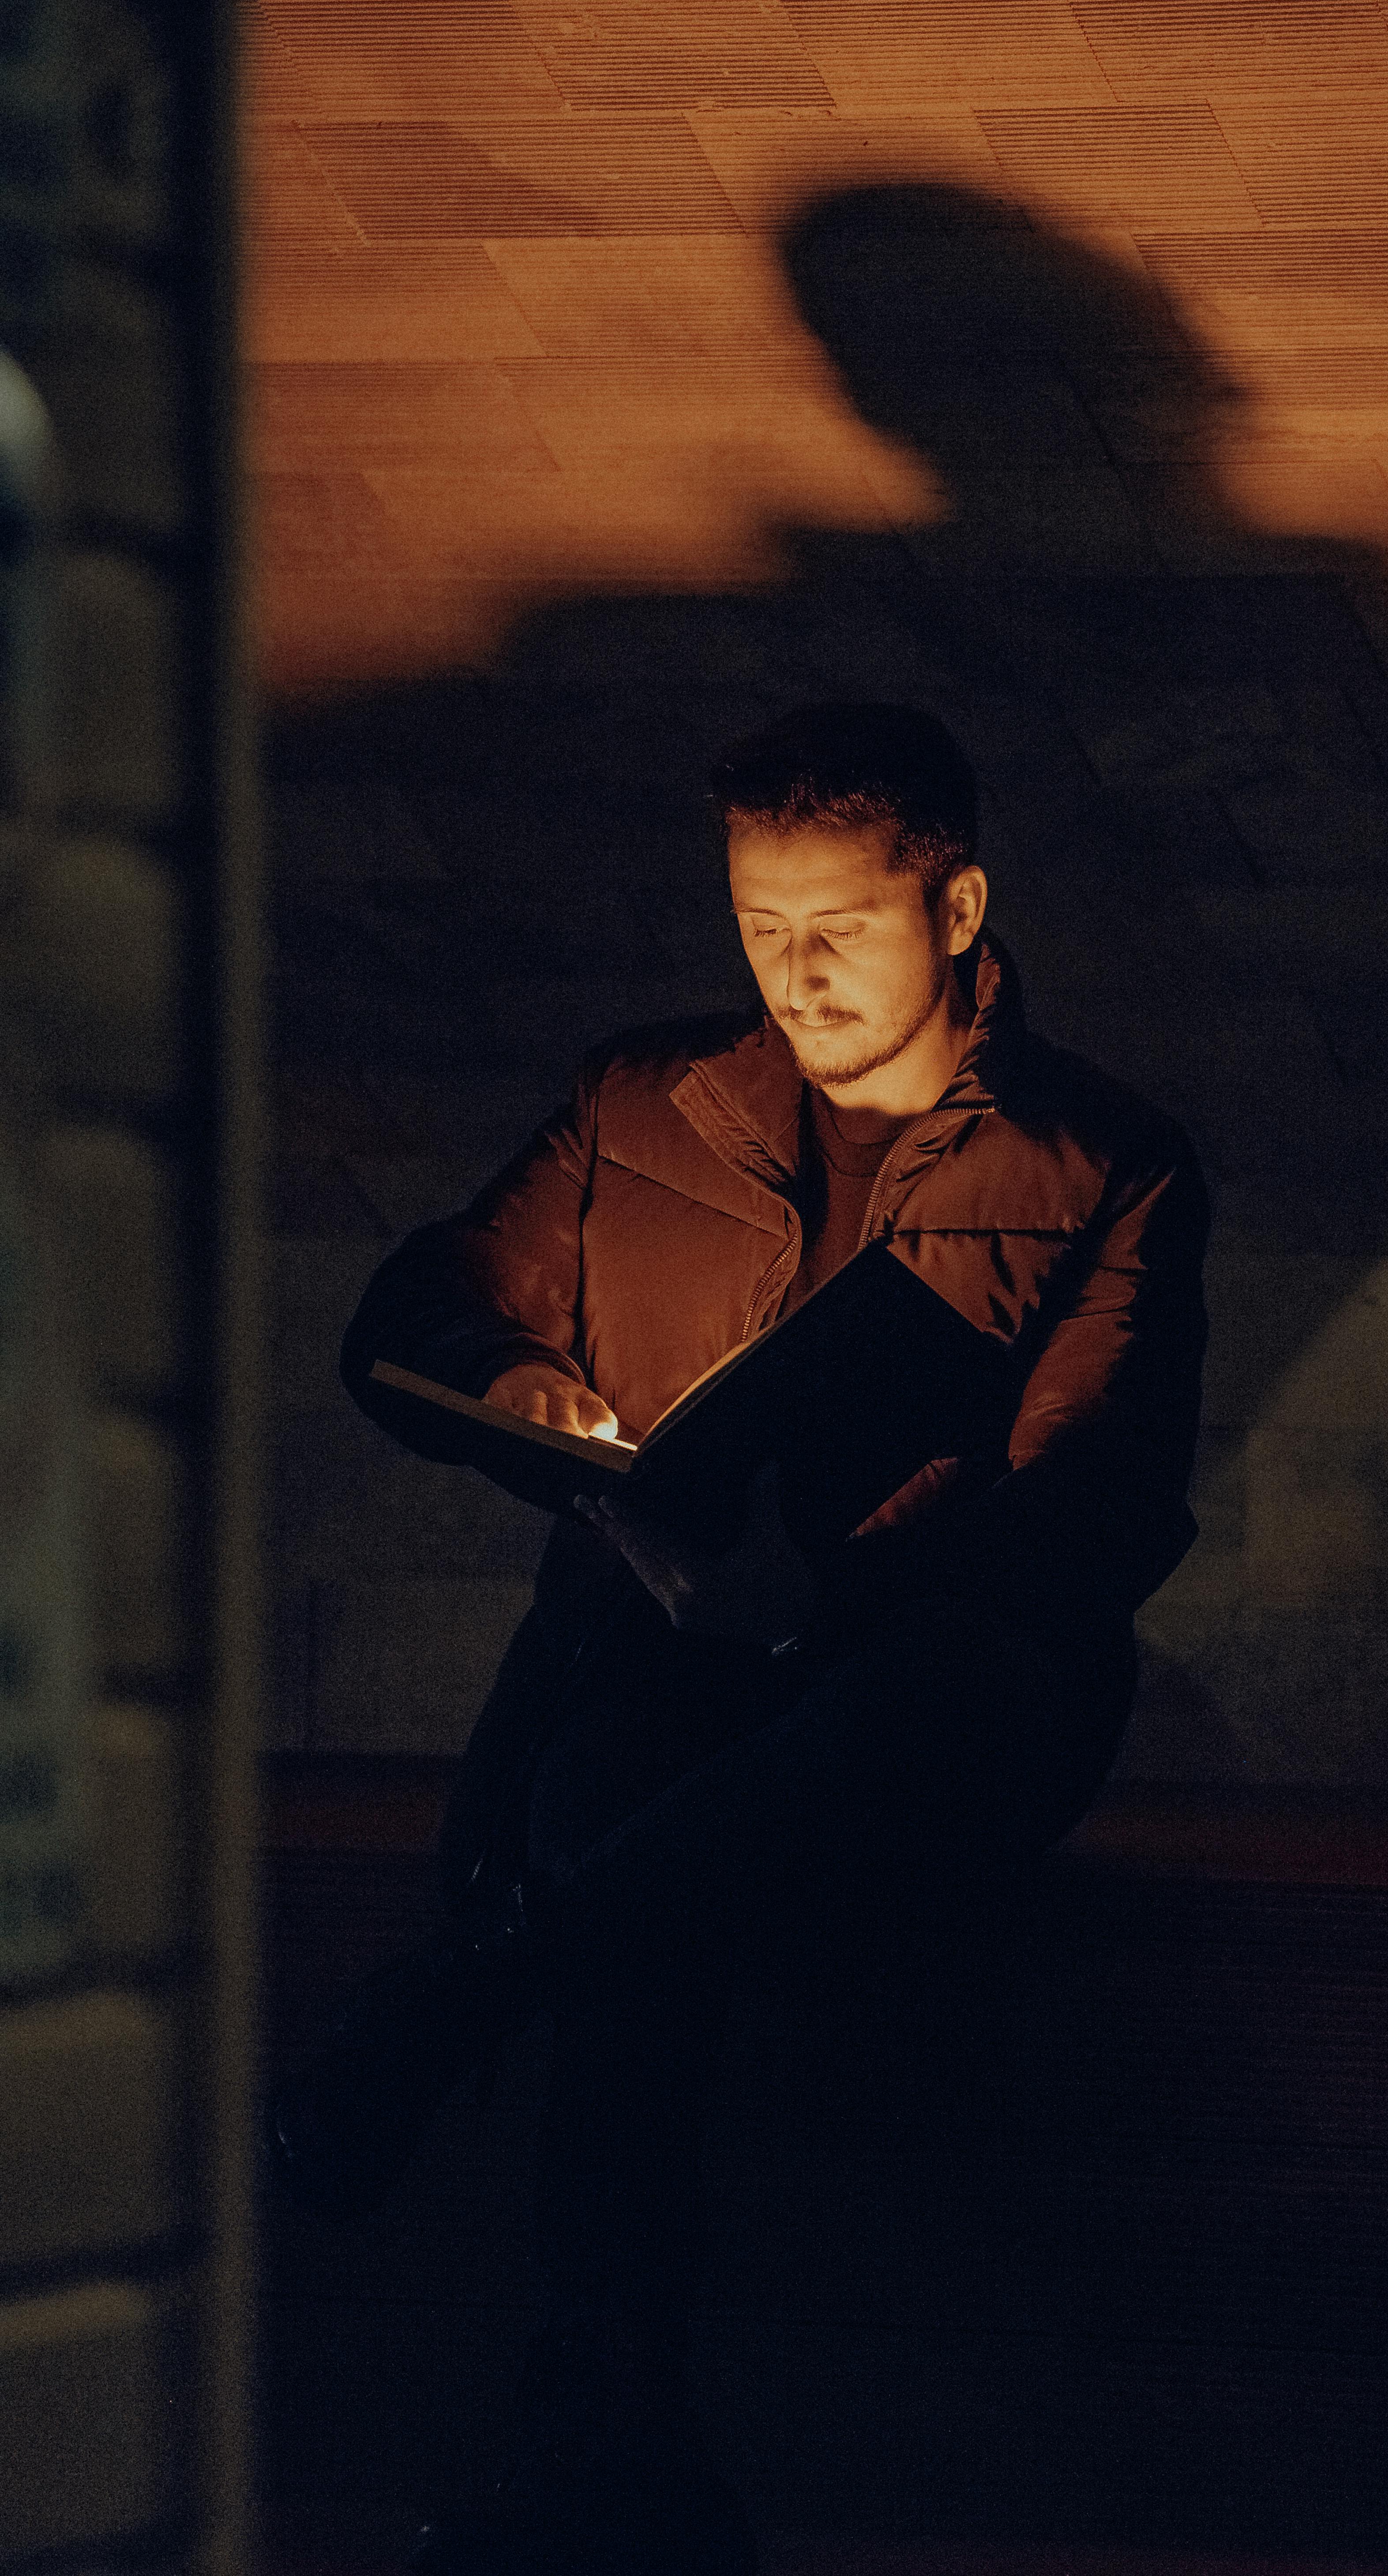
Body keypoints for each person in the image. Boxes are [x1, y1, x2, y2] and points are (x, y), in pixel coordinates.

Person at [270, 701, 1210, 2575]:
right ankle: (619, 2438)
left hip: (950, 1692)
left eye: (838, 927)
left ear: (955, 908)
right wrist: (520, 1378)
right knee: (622, 1796)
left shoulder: (1102, 1157)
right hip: (673, 1669)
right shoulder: (644, 1104)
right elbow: (430, 1296)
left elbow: (1091, 1510)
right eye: (757, 925)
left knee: (878, 1709)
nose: (792, 975)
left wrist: (835, 1591)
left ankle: (464, 2010)